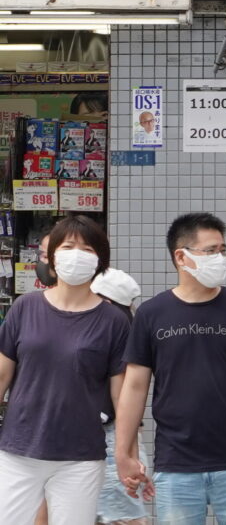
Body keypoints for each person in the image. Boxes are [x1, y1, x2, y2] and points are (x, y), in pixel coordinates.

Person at [115, 212, 226, 525]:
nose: (220, 258)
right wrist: (124, 454)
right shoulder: (152, 314)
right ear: (182, 256)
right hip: (177, 463)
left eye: (223, 250)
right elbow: (134, 386)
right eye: (211, 250)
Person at [0, 215, 133, 525]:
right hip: (18, 449)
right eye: (69, 246)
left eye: (87, 248)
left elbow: (122, 396)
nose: (77, 254)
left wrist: (126, 453)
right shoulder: (25, 307)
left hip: (80, 456)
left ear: (100, 260)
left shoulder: (114, 321)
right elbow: (3, 374)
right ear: (52, 257)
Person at [89, 269, 146, 525]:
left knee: (123, 518)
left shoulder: (112, 331)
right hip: (112, 440)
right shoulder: (128, 330)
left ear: (108, 302)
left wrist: (128, 454)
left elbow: (123, 399)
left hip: (111, 440)